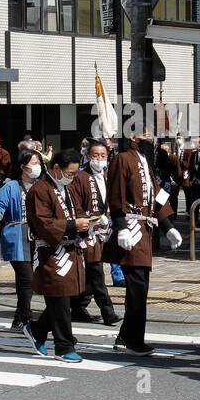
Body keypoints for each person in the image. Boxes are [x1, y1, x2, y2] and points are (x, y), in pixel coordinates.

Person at [103, 132, 184, 355]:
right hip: (131, 227)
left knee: (141, 286)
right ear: (132, 137)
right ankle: (133, 339)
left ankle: (125, 336)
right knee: (137, 287)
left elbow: (155, 196)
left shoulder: (144, 162)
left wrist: (168, 227)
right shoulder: (123, 159)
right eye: (145, 134)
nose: (151, 138)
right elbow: (116, 193)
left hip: (145, 228)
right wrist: (120, 226)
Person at [20, 148, 91, 362]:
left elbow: (78, 212)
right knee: (59, 297)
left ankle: (38, 330)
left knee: (67, 296)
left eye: (75, 174)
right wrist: (73, 224)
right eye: (70, 173)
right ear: (56, 168)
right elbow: (43, 224)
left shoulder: (65, 188)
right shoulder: (40, 190)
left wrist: (90, 223)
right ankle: (63, 345)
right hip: (50, 251)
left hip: (70, 248)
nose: (72, 177)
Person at [0, 148, 42, 334]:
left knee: (26, 280)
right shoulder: (11, 186)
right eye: (33, 163)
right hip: (17, 234)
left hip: (38, 236)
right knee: (26, 278)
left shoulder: (41, 185)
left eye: (38, 163)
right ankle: (27, 317)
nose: (37, 167)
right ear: (23, 167)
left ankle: (19, 318)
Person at [71, 139, 119, 325]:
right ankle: (108, 312)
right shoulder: (81, 177)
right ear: (87, 156)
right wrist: (92, 220)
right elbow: (76, 206)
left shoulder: (108, 176)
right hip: (88, 231)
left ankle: (78, 306)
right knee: (96, 271)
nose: (99, 159)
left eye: (103, 156)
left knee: (91, 274)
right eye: (95, 156)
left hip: (105, 232)